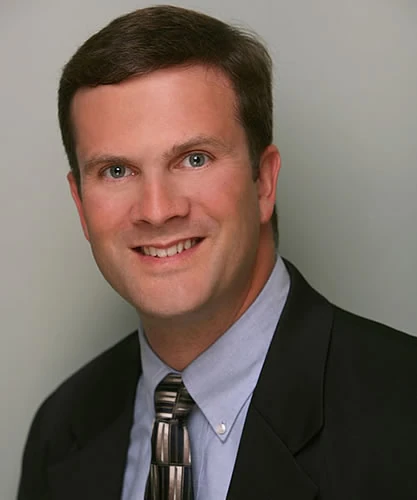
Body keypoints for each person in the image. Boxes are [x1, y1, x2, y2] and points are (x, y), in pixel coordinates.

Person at [17, 5, 417, 500]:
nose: (157, 210)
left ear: (263, 181)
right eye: (116, 171)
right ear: (81, 204)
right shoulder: (61, 432)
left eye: (194, 159)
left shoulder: (403, 412)